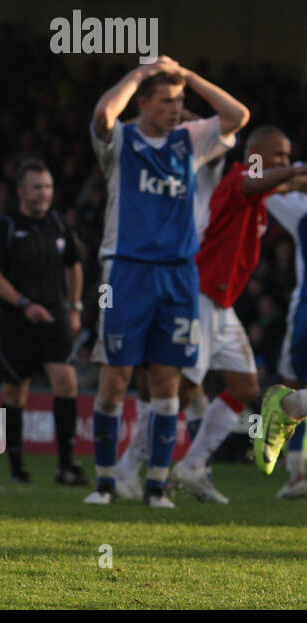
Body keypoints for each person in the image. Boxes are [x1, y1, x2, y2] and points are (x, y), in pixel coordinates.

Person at [84, 57, 248, 506]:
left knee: (166, 379)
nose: (176, 109)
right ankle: (105, 482)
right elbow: (102, 115)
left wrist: (190, 76)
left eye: (179, 101)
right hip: (127, 269)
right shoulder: (121, 142)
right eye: (166, 101)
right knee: (116, 377)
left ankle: (156, 485)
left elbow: (238, 117)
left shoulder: (189, 141)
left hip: (178, 274)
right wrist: (139, 73)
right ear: (144, 103)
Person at [166, 128, 307, 501]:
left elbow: (291, 185)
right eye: (278, 153)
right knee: (178, 388)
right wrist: (297, 168)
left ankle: (192, 467)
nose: (284, 160)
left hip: (222, 304)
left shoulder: (260, 188)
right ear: (256, 154)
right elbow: (265, 179)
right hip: (201, 296)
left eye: (287, 153)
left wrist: (297, 175)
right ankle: (138, 471)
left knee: (245, 388)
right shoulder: (240, 180)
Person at [0, 159, 86, 485]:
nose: (44, 194)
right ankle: (16, 466)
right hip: (15, 319)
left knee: (67, 383)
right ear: (22, 191)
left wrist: (75, 307)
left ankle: (66, 466)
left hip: (54, 315)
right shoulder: (5, 226)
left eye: (48, 187)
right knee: (15, 393)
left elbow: (75, 265)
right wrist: (24, 304)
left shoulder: (59, 224)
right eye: (37, 188)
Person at [251, 159, 307, 484]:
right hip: (304, 308)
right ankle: (297, 471)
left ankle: (292, 405)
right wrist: (293, 175)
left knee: (297, 386)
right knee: (293, 378)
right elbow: (262, 185)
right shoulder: (300, 209)